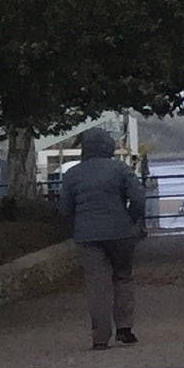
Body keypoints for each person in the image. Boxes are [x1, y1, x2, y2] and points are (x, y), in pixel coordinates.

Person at [53, 126, 149, 349]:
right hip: (121, 232)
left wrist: (76, 227)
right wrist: (131, 219)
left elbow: (65, 209)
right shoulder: (121, 170)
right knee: (123, 276)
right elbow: (138, 198)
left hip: (87, 235)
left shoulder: (72, 174)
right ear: (109, 147)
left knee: (97, 284)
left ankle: (100, 337)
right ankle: (124, 328)